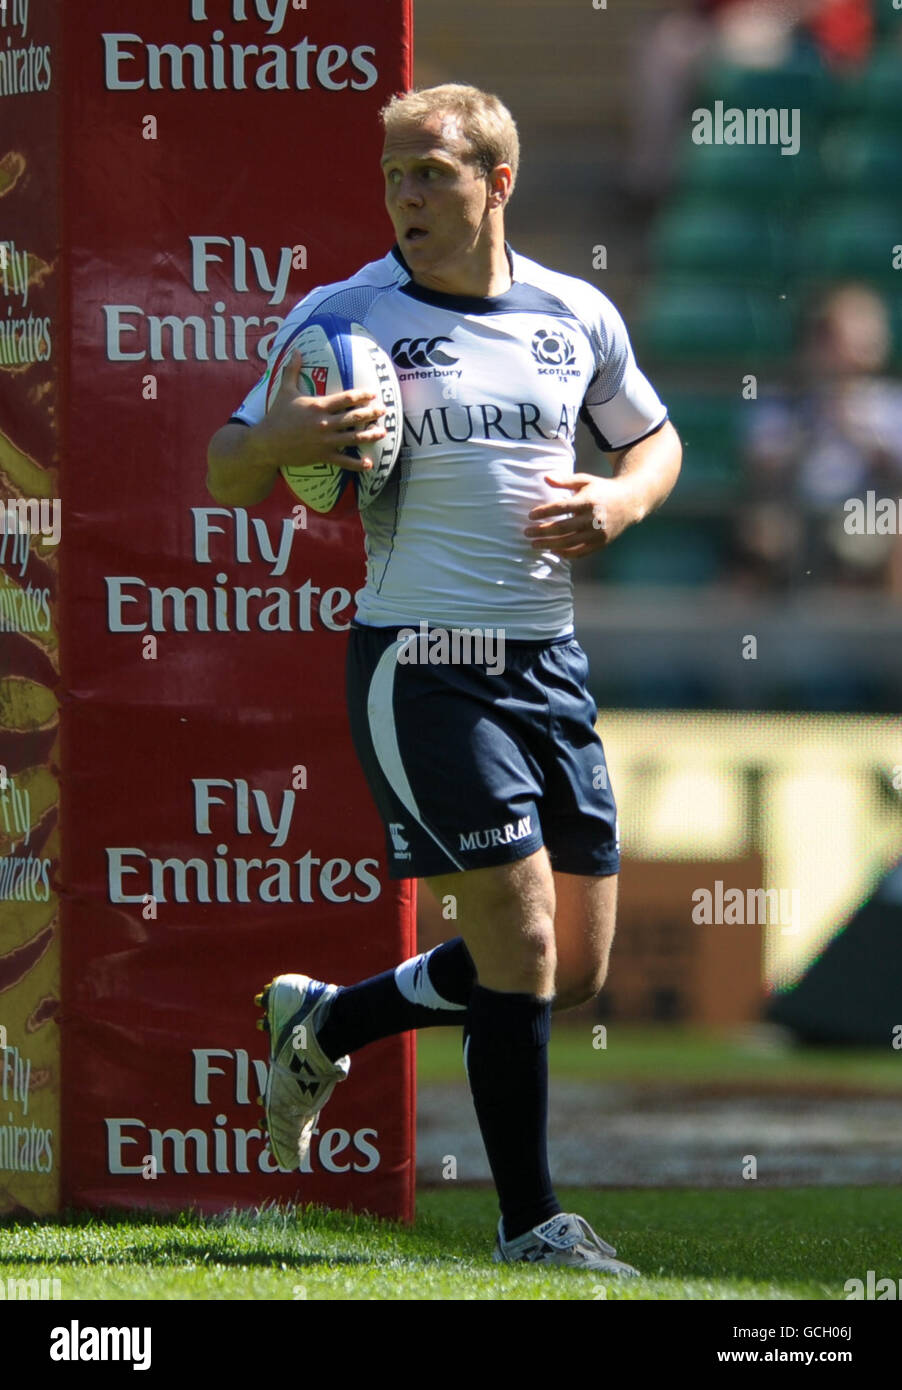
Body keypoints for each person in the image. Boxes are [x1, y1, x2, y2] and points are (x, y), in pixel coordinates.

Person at [206, 83, 681, 1273]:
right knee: (517, 935)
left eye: (431, 173)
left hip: (547, 662)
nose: (406, 196)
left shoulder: (576, 315)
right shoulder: (344, 316)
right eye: (393, 175)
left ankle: (331, 1020)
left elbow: (651, 439)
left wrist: (616, 500)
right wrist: (278, 443)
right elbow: (224, 462)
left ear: (496, 183)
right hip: (422, 659)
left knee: (571, 970)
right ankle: (531, 1226)